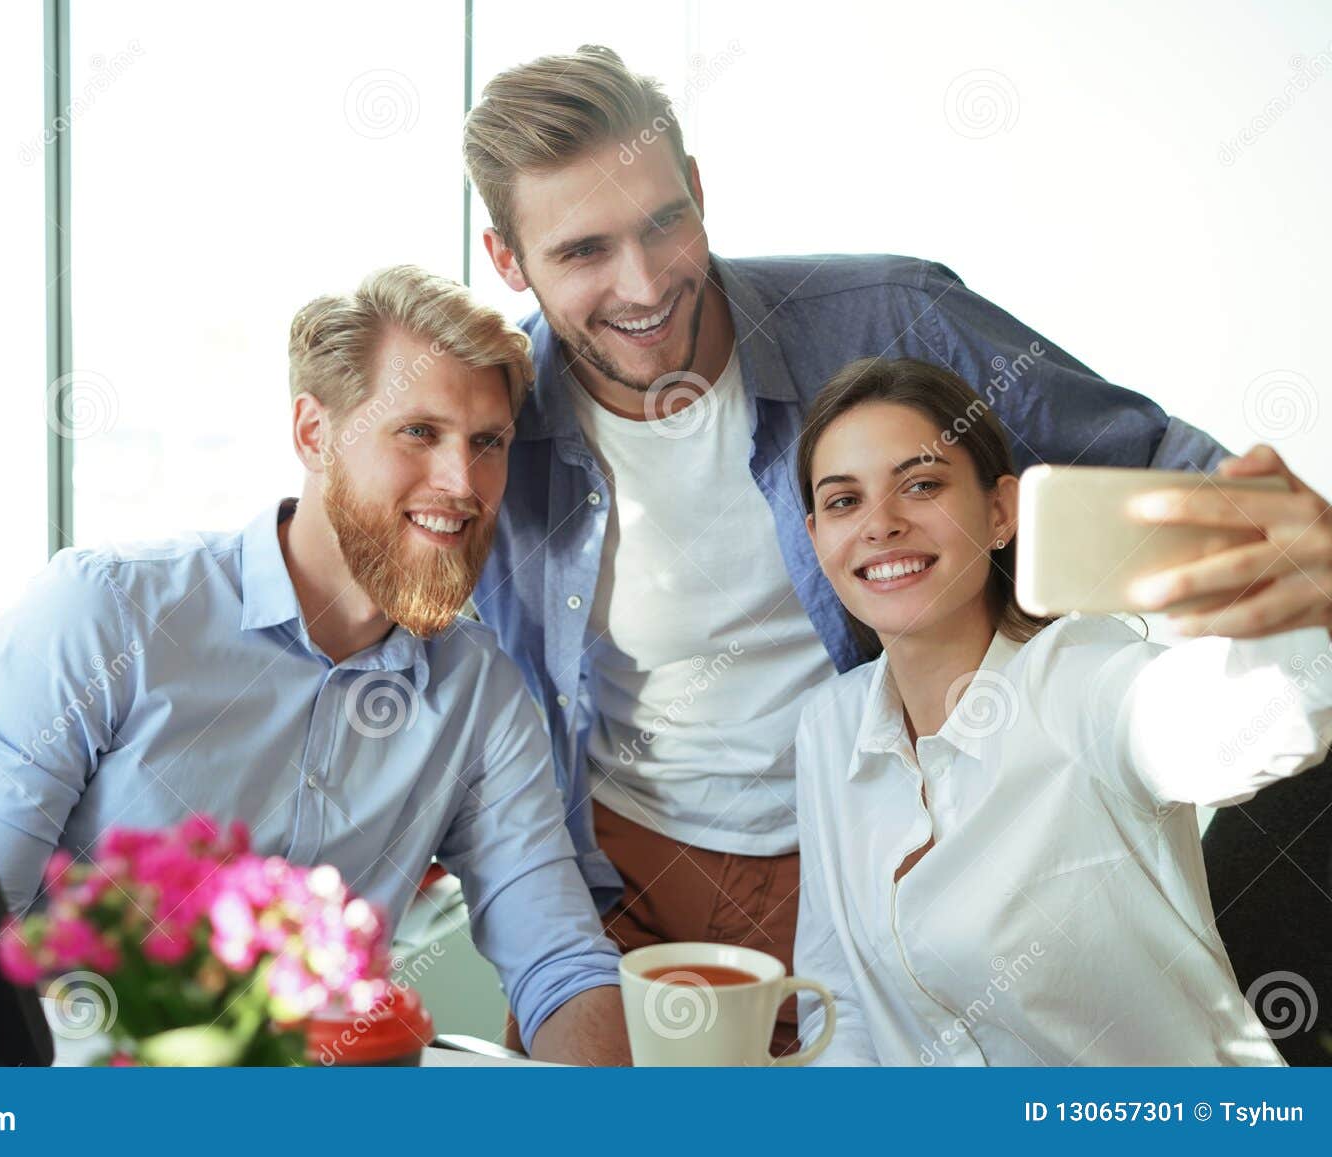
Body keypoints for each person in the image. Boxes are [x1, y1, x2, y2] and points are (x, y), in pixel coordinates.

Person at [459, 44, 1303, 1051]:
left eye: (662, 223)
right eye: (582, 251)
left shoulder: (890, 317)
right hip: (623, 872)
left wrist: (1282, 565)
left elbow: (1165, 472)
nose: (643, 284)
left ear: (696, 188)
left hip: (851, 846)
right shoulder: (493, 420)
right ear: (508, 259)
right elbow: (382, 579)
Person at [0, 266, 630, 1065]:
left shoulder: (481, 697)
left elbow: (558, 961)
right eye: (418, 432)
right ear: (312, 433)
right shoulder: (106, 613)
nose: (461, 483)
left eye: (488, 442)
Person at [788, 356, 1332, 1064]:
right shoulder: (828, 729)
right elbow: (839, 1003)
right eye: (843, 501)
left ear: (1000, 511)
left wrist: (1308, 600)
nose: (880, 523)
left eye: (921, 485)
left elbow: (1245, 724)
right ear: (815, 539)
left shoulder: (1085, 679)